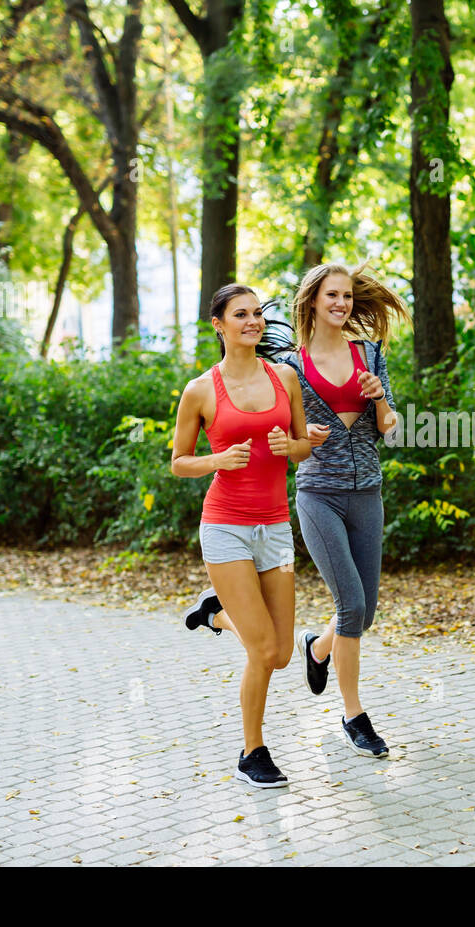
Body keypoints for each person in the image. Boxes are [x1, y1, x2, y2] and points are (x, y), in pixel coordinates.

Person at [171, 284, 325, 788]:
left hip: (276, 529)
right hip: (226, 528)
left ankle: (214, 613)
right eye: (241, 314)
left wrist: (291, 445)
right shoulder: (200, 390)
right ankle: (252, 753)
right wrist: (216, 460)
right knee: (262, 652)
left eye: (257, 313)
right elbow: (178, 463)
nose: (253, 321)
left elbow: (303, 449)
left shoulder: (285, 377)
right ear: (219, 324)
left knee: (281, 654)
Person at [280, 262, 408, 758]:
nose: (342, 303)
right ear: (313, 300)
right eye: (332, 295)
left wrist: (381, 402)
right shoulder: (291, 368)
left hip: (367, 494)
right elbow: (285, 443)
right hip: (319, 495)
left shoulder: (370, 354)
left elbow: (391, 427)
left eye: (348, 296)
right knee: (351, 605)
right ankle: (354, 717)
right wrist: (301, 440)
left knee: (364, 611)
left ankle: (316, 648)